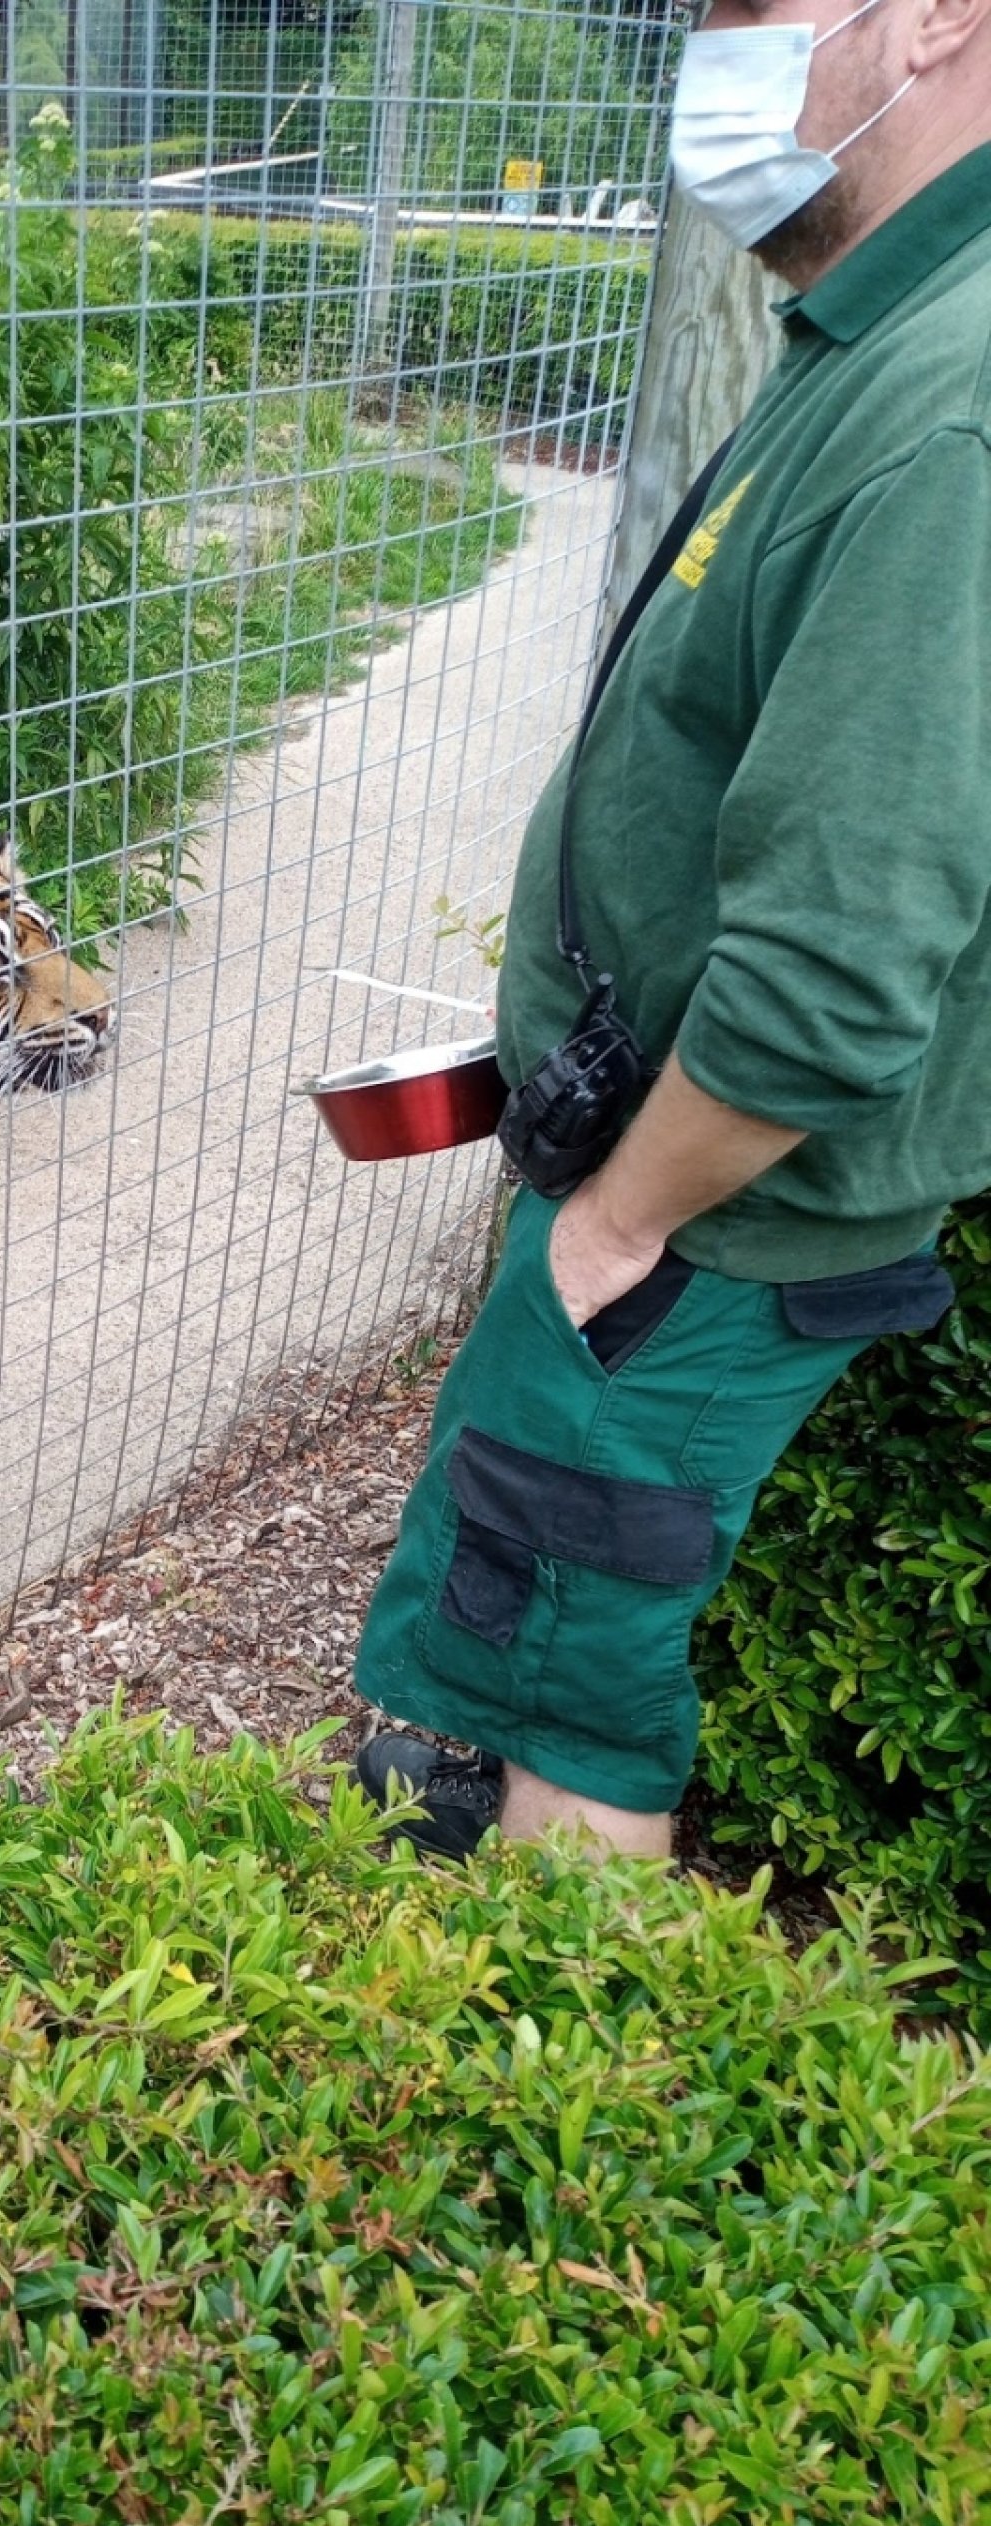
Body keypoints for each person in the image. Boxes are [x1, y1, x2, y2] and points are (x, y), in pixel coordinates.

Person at [353, 0, 991, 1862]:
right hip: (670, 1197)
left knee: (567, 1672)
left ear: (936, 20)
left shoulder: (953, 407)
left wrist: (620, 1220)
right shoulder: (884, 331)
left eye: (751, 15)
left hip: (703, 1231)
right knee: (532, 1607)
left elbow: (832, 973)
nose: (708, 67)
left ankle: (556, 2092)